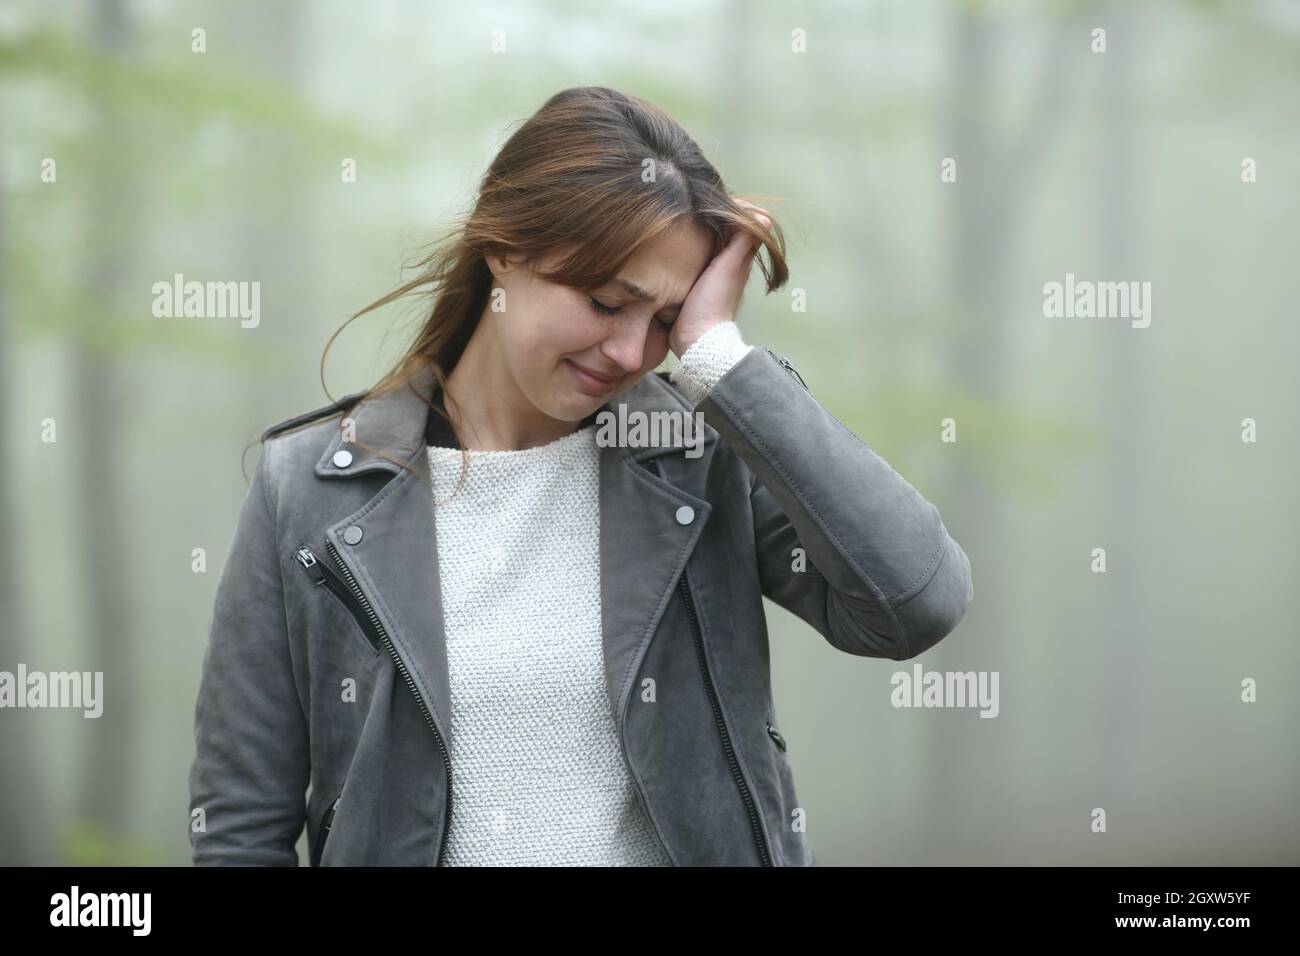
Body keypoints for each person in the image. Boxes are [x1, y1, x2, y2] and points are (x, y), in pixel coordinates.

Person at [187, 85, 974, 867]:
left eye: (665, 319)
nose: (634, 354)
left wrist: (718, 363)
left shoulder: (696, 458)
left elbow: (915, 602)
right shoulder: (312, 490)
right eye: (606, 302)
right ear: (503, 249)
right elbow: (239, 831)